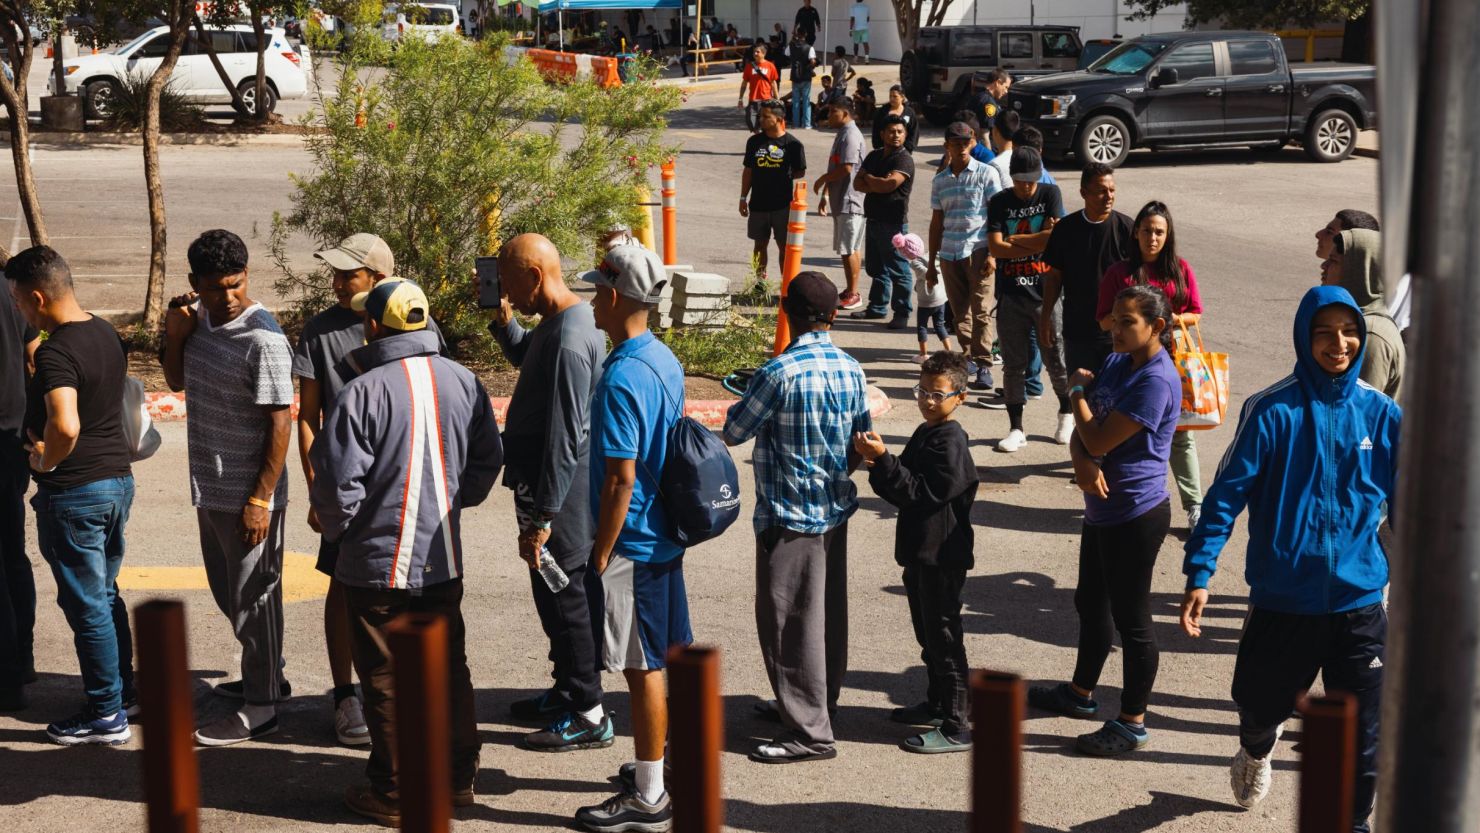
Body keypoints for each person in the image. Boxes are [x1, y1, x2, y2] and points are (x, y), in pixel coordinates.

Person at [1180, 286, 1399, 833]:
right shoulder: (1271, 410)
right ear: (1304, 336)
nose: (1339, 343)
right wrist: (1200, 571)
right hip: (1284, 602)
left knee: (1364, 735)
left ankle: (1353, 821)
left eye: (1349, 331)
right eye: (1324, 332)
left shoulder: (1382, 413)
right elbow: (1225, 496)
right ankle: (1256, 748)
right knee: (1258, 706)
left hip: (1359, 604)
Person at [309, 278, 503, 825]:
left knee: (387, 679)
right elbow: (489, 460)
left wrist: (344, 532)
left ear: (373, 326)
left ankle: (393, 793)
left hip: (376, 566)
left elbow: (336, 485)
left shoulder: (362, 391)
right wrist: (451, 503)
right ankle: (459, 780)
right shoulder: (464, 381)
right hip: (442, 559)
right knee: (449, 672)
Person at [723, 271, 871, 764]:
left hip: (787, 514)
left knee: (789, 624)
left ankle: (809, 733)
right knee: (825, 616)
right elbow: (860, 442)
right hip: (834, 508)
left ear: (788, 311)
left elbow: (736, 430)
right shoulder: (852, 369)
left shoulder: (779, 372)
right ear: (832, 315)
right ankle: (817, 705)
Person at [1029, 285, 1180, 756]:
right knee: (1089, 600)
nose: (1115, 329)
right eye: (1114, 319)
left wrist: (1074, 391)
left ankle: (1132, 721)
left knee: (1131, 620)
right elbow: (1088, 434)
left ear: (1156, 327)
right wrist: (1082, 460)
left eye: (1127, 322)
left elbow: (1094, 432)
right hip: (1101, 509)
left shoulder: (1156, 380)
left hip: (1135, 512)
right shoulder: (1119, 360)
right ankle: (1080, 694)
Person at [294, 233, 430, 749]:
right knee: (343, 588)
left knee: (411, 591)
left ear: (376, 280)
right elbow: (308, 417)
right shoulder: (320, 331)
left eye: (347, 275)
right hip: (347, 487)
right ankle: (344, 695)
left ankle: (402, 692)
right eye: (335, 273)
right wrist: (315, 487)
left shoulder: (417, 321)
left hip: (404, 486)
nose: (335, 282)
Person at [574, 244, 690, 833]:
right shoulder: (663, 358)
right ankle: (658, 766)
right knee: (661, 657)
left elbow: (620, 477)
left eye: (598, 289)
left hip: (635, 541)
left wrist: (601, 549)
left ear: (617, 297)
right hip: (663, 532)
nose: (593, 298)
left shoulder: (621, 374)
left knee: (640, 667)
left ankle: (649, 796)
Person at [162, 229, 293, 747]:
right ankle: (268, 678)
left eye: (235, 285)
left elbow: (281, 423)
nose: (228, 297)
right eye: (215, 288)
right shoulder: (197, 323)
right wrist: (176, 333)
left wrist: (260, 499)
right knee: (230, 594)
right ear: (195, 283)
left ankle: (263, 708)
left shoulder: (263, 338)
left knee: (254, 600)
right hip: (210, 487)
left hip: (248, 496)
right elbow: (175, 381)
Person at [488, 234, 612, 752]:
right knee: (553, 593)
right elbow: (531, 365)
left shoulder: (568, 338)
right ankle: (566, 688)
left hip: (559, 497)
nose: (509, 294)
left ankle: (588, 711)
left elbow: (566, 435)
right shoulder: (556, 325)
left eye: (511, 285)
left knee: (568, 598)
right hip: (547, 491)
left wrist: (544, 516)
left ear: (535, 275)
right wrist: (503, 325)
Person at [8, 246, 136, 744]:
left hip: (76, 492)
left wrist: (45, 460)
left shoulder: (58, 351)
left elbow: (65, 422)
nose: (19, 311)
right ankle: (122, 691)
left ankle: (106, 712)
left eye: (19, 302)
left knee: (87, 605)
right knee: (105, 594)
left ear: (38, 297)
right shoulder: (103, 331)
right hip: (116, 483)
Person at [855, 351, 978, 753]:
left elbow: (922, 494)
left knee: (944, 637)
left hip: (942, 554)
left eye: (937, 394)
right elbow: (900, 488)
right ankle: (937, 702)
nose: (927, 400)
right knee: (928, 634)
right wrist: (880, 461)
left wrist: (884, 460)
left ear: (960, 396)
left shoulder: (951, 440)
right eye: (922, 390)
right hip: (920, 552)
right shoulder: (928, 431)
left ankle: (958, 724)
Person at [1095, 201, 1204, 529]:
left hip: (1175, 365)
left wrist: (1166, 321)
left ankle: (1194, 504)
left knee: (1181, 436)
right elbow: (1102, 321)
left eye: (1159, 232)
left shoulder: (1180, 269)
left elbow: (1196, 311)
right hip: (1130, 367)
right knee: (1126, 435)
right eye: (1146, 231)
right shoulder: (1119, 273)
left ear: (1168, 235)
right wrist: (1128, 323)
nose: (1152, 238)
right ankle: (1123, 497)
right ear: (1136, 233)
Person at [987, 147, 1072, 452]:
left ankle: (1066, 413)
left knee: (1057, 359)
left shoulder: (1050, 193)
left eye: (1032, 180)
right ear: (1012, 178)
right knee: (1013, 365)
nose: (1027, 187)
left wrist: (1015, 241)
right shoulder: (999, 202)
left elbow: (1057, 239)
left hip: (1045, 293)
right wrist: (1037, 241)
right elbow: (996, 249)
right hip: (1011, 295)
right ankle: (1016, 428)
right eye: (1022, 181)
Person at [1040, 163, 1134, 379]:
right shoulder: (1065, 230)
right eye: (1102, 190)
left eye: (1112, 190)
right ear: (1084, 193)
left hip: (1118, 333)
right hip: (1078, 333)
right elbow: (1054, 278)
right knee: (1082, 396)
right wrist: (1045, 318)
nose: (1108, 196)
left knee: (1115, 399)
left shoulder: (1127, 229)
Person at [927, 121, 1002, 390]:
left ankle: (984, 364)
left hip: (979, 251)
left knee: (982, 311)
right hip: (949, 254)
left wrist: (994, 254)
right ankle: (969, 355)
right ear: (947, 145)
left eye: (965, 142)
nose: (961, 148)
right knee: (960, 313)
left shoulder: (986, 174)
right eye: (955, 143)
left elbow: (997, 216)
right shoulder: (940, 181)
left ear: (972, 143)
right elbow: (936, 223)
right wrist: (931, 265)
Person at [0, 258, 38, 713]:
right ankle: (23, 656)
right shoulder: (13, 290)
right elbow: (35, 357)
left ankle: (9, 676)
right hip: (14, 440)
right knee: (13, 553)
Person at [850, 115, 916, 328]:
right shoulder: (875, 155)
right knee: (876, 268)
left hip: (894, 223)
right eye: (891, 131)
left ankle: (902, 313)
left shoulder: (903, 159)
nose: (895, 135)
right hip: (874, 220)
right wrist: (874, 181)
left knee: (899, 269)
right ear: (882, 134)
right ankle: (877, 308)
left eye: (899, 131)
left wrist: (871, 179)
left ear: (905, 135)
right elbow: (857, 183)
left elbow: (889, 185)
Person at [1322, 229, 1404, 399]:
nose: (1324, 266)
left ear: (1359, 271)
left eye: (1333, 261)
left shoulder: (1371, 334)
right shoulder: (1358, 318)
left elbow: (1358, 413)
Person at [741, 100, 807, 285]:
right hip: (758, 205)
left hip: (782, 206)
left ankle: (786, 285)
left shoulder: (793, 144)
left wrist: (782, 175)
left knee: (784, 247)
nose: (760, 119)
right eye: (760, 116)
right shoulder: (754, 142)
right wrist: (743, 197)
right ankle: (760, 283)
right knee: (759, 245)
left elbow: (800, 170)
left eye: (765, 116)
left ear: (779, 119)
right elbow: (748, 171)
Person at [813, 96, 867, 311]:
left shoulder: (851, 135)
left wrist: (822, 180)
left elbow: (846, 169)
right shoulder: (843, 134)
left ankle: (853, 293)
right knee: (850, 247)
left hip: (850, 201)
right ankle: (850, 289)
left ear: (844, 113)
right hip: (841, 200)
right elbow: (836, 166)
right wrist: (825, 195)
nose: (829, 117)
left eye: (832, 112)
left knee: (849, 249)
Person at [895, 232, 956, 362]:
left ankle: (923, 354)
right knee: (940, 325)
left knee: (922, 327)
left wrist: (919, 285)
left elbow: (925, 274)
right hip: (941, 299)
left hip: (926, 301)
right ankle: (950, 352)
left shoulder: (915, 263)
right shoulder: (934, 256)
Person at [739, 44, 780, 133]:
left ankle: (763, 141)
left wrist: (777, 99)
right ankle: (758, 135)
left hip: (766, 100)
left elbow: (773, 83)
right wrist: (740, 98)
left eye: (758, 52)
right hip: (753, 100)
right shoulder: (749, 66)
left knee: (766, 124)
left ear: (763, 54)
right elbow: (744, 83)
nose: (755, 53)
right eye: (754, 51)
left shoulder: (770, 66)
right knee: (751, 123)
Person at [871, 85, 920, 153]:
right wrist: (880, 147)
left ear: (902, 97)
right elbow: (876, 130)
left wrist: (908, 148)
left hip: (904, 151)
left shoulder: (909, 113)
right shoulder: (882, 112)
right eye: (890, 96)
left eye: (895, 96)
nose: (892, 99)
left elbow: (914, 132)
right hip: (884, 151)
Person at [785, 30, 818, 129]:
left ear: (796, 35)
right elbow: (812, 61)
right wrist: (810, 68)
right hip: (806, 77)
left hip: (795, 76)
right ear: (805, 34)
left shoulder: (791, 46)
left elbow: (786, 54)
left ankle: (796, 123)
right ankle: (806, 124)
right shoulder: (809, 48)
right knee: (806, 101)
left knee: (795, 101)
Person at [969, 69, 1011, 146]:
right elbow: (984, 134)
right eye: (1006, 87)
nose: (1006, 91)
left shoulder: (980, 96)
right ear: (998, 83)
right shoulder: (988, 102)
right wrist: (989, 156)